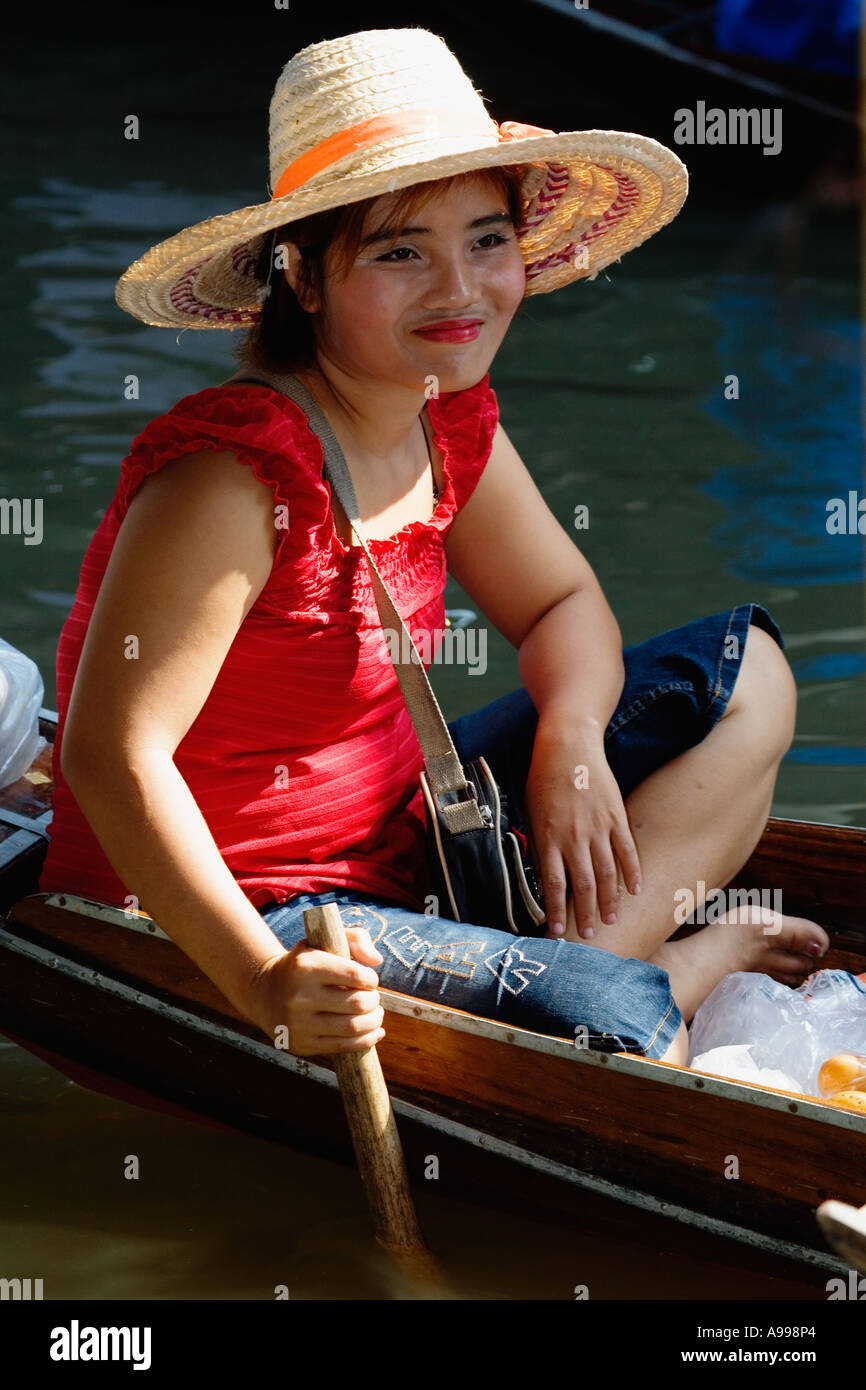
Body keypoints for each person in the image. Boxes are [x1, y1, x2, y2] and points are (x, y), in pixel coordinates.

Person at [39, 27, 829, 1068]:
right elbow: (109, 754)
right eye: (399, 250)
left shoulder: (444, 414)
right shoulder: (231, 480)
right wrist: (265, 988)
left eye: (486, 239)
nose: (459, 288)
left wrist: (572, 745)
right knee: (621, 1027)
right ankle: (662, 968)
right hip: (246, 907)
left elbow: (558, 604)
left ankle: (577, 958)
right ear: (305, 278)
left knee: (747, 674)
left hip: (397, 839)